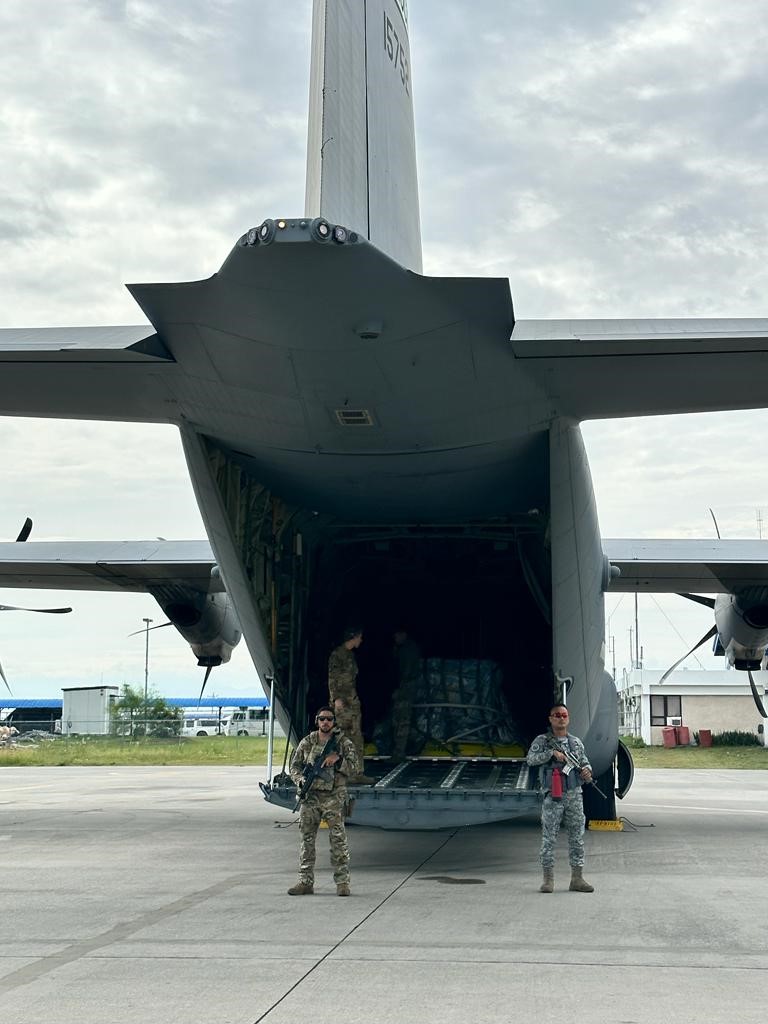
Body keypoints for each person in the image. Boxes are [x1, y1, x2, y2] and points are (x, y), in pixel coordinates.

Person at [287, 705, 359, 896]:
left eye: (329, 719)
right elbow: (294, 767)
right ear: (317, 721)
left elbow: (355, 768)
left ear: (334, 722)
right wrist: (301, 780)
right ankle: (305, 881)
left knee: (338, 840)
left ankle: (342, 883)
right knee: (307, 841)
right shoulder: (308, 742)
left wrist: (338, 759)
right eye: (322, 719)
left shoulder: (343, 743)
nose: (325, 722)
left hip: (333, 797)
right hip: (310, 797)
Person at [526, 704, 595, 893]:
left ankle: (577, 879)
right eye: (557, 715)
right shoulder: (543, 741)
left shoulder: (575, 743)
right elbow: (530, 759)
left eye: (564, 715)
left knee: (577, 838)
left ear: (568, 718)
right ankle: (548, 880)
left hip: (574, 795)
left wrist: (588, 771)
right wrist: (551, 754)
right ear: (550, 719)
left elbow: (584, 761)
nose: (561, 718)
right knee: (549, 838)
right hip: (553, 796)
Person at [328, 626, 373, 783]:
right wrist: (336, 699)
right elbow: (332, 678)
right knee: (343, 737)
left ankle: (356, 773)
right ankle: (341, 773)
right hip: (343, 703)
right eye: (360, 637)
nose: (361, 640)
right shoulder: (337, 655)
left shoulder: (350, 656)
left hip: (352, 702)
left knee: (356, 737)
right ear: (354, 637)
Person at [391, 629, 422, 760]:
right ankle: (410, 747)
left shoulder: (408, 650)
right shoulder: (404, 648)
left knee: (402, 720)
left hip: (406, 689)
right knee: (403, 719)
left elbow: (406, 671)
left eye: (397, 634)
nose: (395, 637)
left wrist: (399, 689)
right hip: (407, 687)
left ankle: (399, 753)